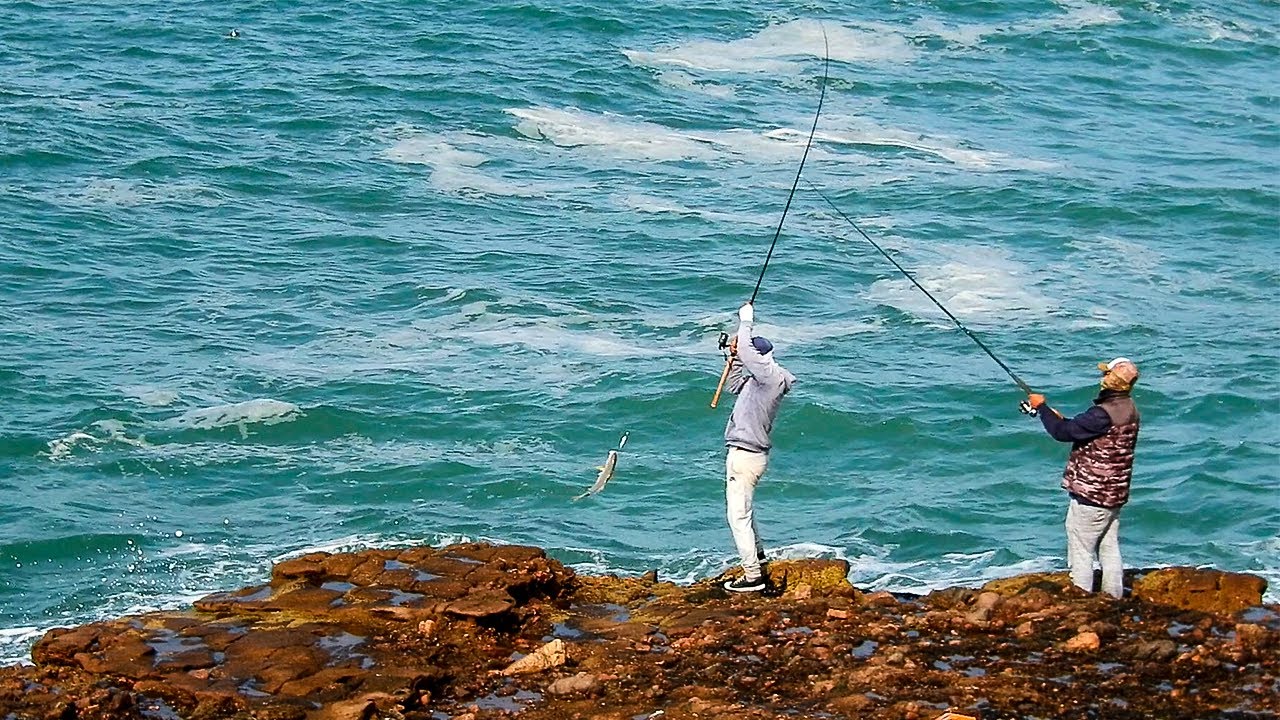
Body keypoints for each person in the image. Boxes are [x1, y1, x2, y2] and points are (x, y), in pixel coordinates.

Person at [1024, 357, 1141, 598]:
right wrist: (1055, 417)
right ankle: (1113, 596)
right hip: (1114, 492)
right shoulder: (1129, 408)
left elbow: (1062, 433)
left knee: (1082, 549)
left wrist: (1042, 408)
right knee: (1109, 547)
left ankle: (1082, 597)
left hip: (1092, 493)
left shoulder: (1102, 413)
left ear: (1110, 381)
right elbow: (1079, 429)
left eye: (1105, 374)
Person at [721, 302, 796, 593]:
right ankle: (759, 556)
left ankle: (753, 576)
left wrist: (746, 322)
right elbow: (734, 384)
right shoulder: (757, 383)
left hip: (747, 456)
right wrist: (733, 357)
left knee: (737, 516)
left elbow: (751, 357)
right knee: (744, 510)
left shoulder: (771, 379)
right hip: (745, 455)